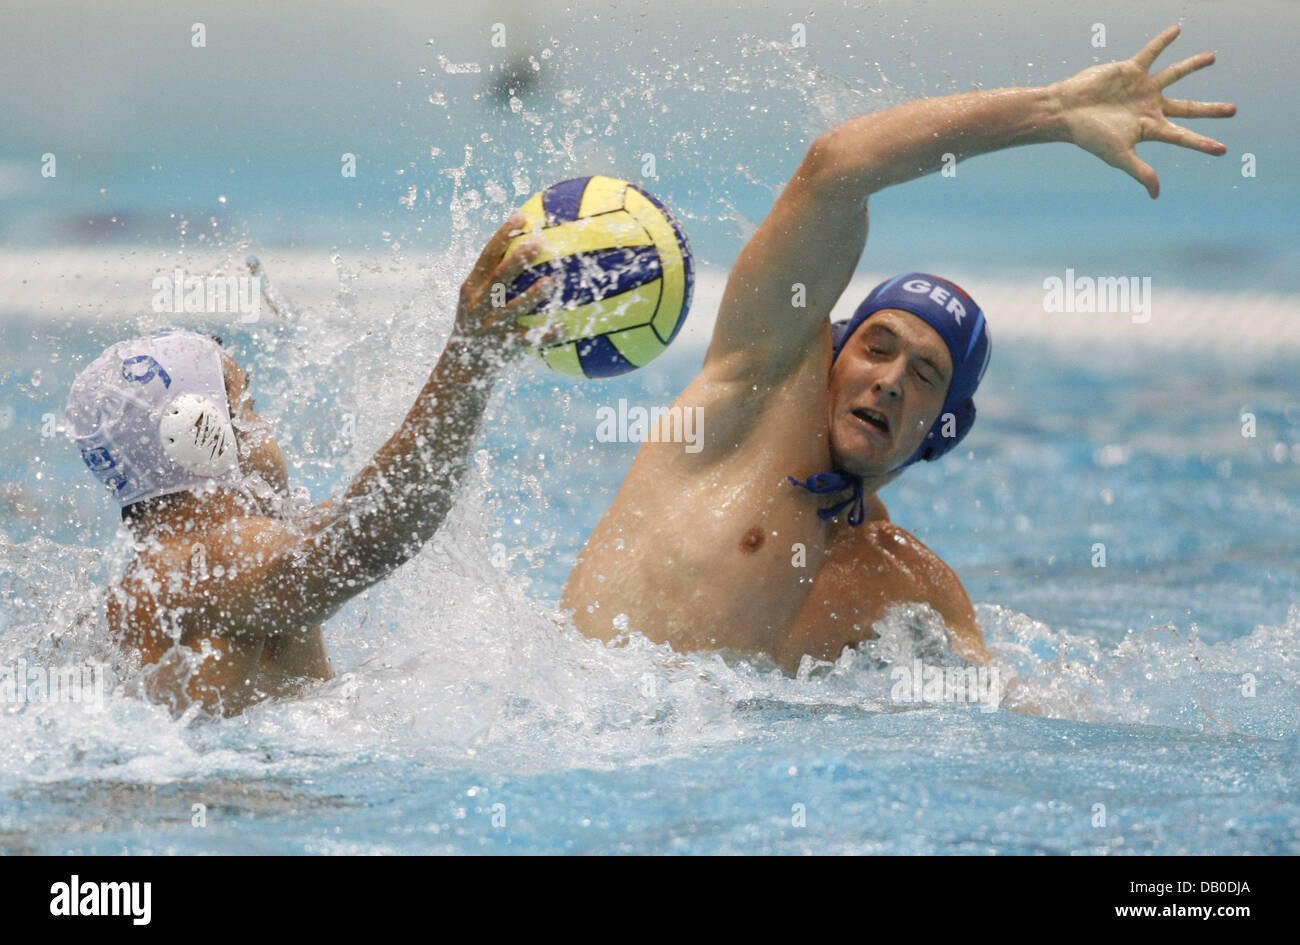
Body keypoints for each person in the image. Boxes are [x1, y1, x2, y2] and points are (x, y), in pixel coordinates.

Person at [562, 25, 1235, 670]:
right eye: (876, 348)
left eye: (924, 373)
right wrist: (1053, 111)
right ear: (833, 353)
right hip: (569, 725)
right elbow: (836, 168)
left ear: (945, 427)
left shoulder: (905, 583)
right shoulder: (753, 388)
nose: (888, 381)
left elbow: (1003, 707)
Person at [65, 216, 555, 716]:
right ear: (201, 435)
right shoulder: (215, 558)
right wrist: (466, 361)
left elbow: (352, 518)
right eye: (250, 408)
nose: (268, 427)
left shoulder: (150, 585)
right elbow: (368, 537)